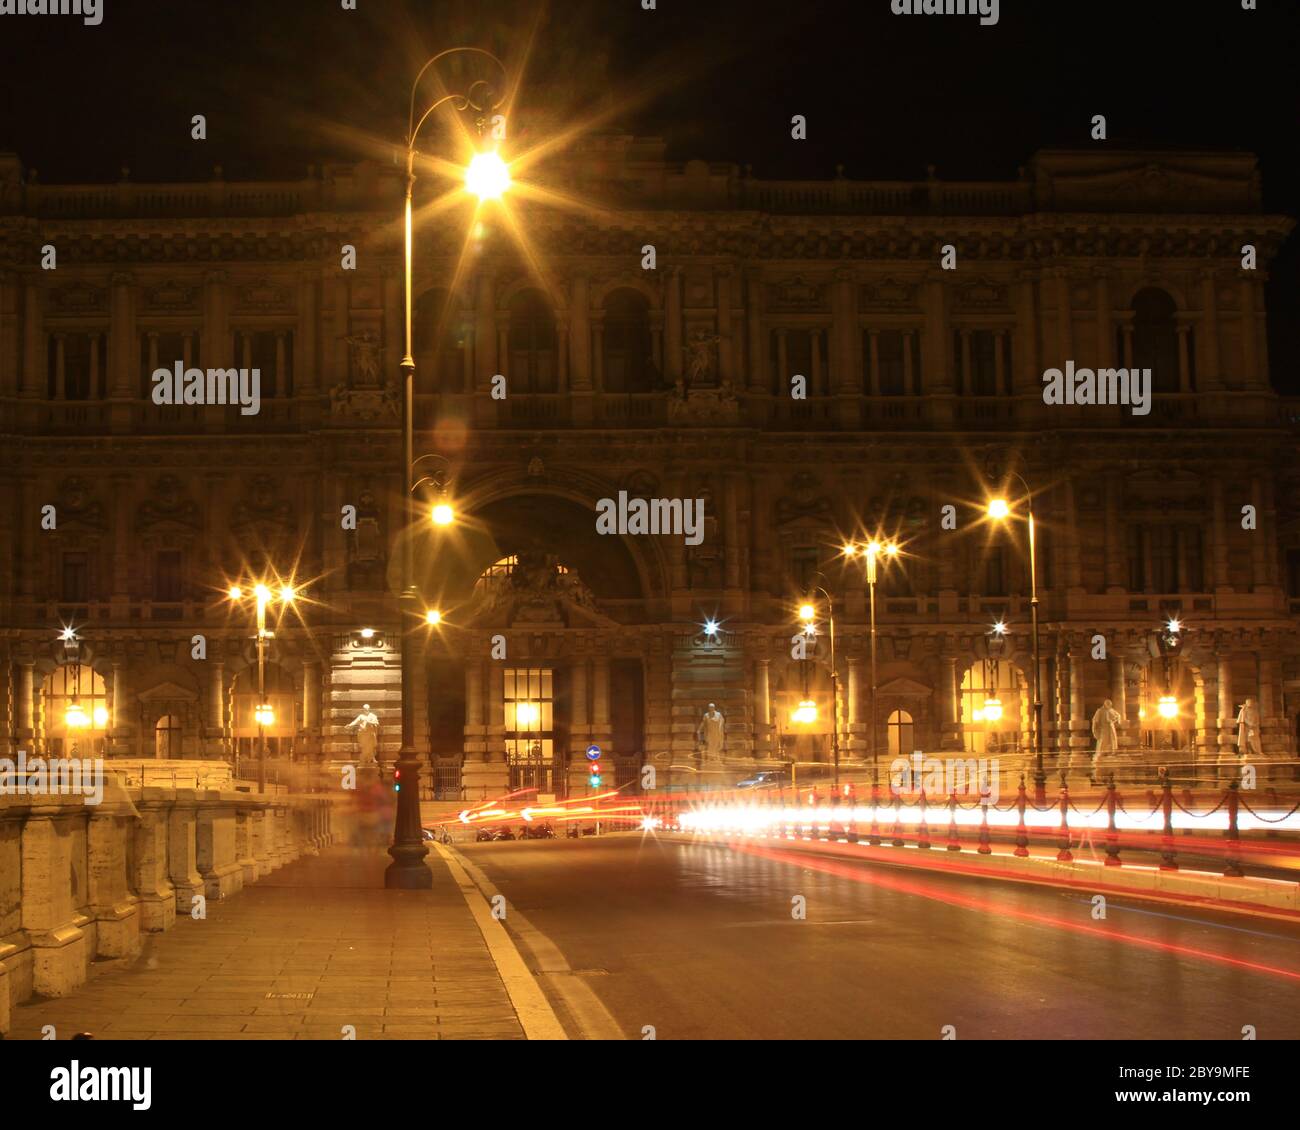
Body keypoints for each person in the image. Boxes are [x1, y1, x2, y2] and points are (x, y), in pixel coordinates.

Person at [1090, 699, 1122, 783]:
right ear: (1105, 704)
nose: (1109, 705)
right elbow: (1095, 722)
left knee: (1112, 743)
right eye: (1108, 704)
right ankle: (1102, 755)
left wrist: (1115, 720)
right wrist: (1094, 731)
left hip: (1111, 729)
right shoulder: (1099, 711)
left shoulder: (1111, 710)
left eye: (1110, 704)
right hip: (1103, 730)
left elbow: (1118, 715)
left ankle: (1111, 753)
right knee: (1102, 744)